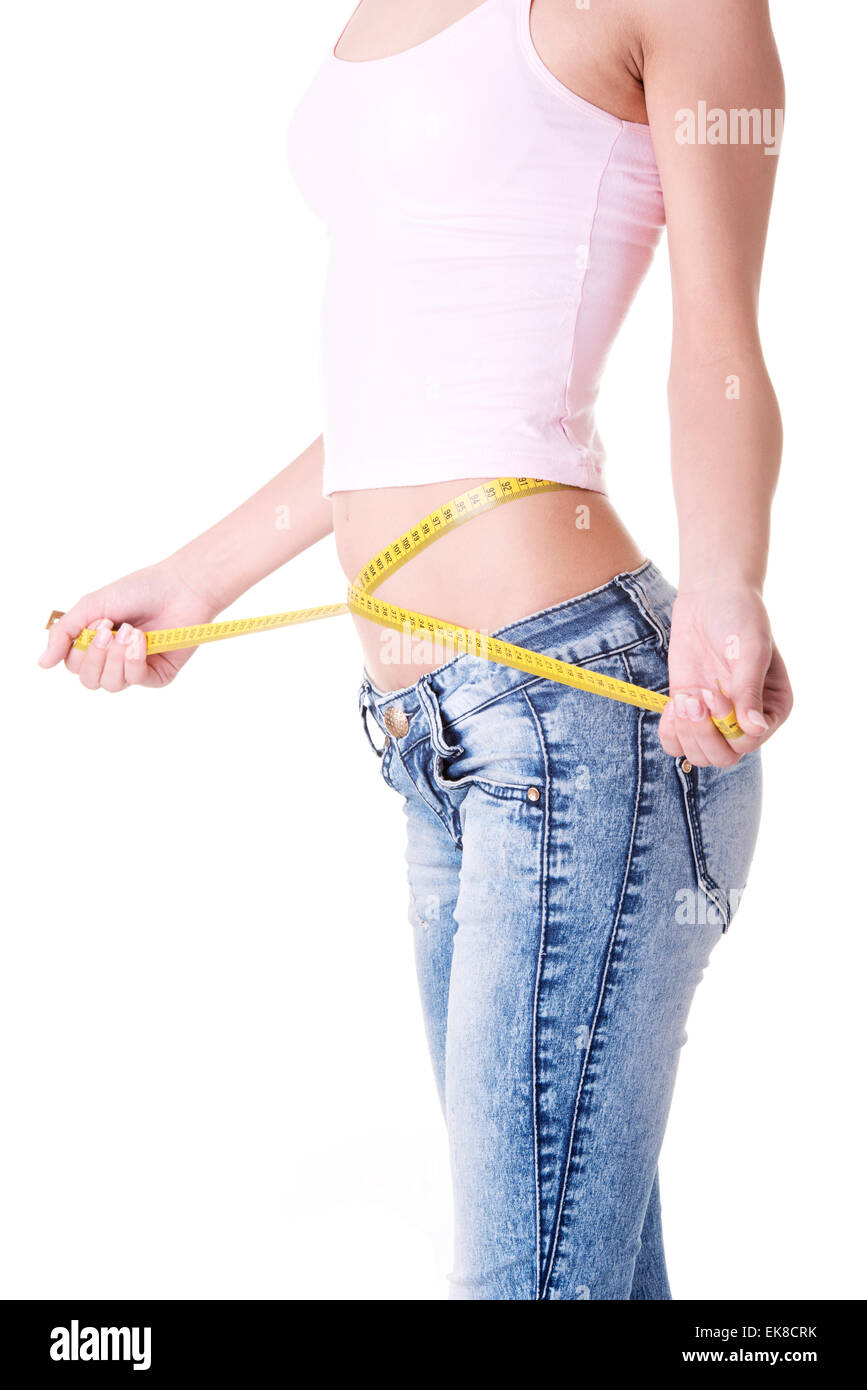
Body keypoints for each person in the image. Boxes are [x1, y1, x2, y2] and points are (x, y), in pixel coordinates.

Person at [38, 0, 793, 1299]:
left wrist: (729, 587)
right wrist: (193, 581)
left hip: (581, 721)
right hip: (434, 740)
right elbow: (411, 392)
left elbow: (718, 341)